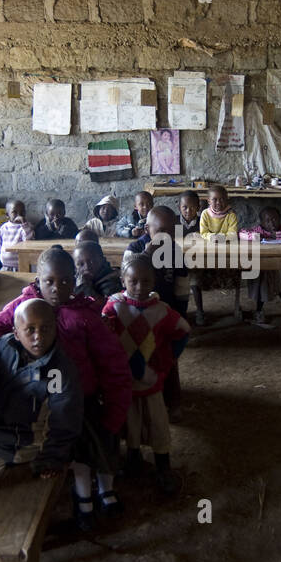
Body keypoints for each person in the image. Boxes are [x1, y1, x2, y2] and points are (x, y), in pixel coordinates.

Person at [0, 249, 132, 526]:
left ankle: (95, 493)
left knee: (90, 441)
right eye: (49, 281)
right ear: (38, 279)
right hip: (33, 399)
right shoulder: (25, 307)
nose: (57, 288)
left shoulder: (85, 318)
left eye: (65, 281)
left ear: (76, 279)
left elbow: (113, 365)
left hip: (79, 399)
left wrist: (115, 412)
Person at [0, 300, 84, 506]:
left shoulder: (58, 371)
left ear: (55, 329)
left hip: (32, 437)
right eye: (30, 330)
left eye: (46, 329)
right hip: (8, 427)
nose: (38, 337)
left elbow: (65, 419)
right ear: (16, 333)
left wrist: (52, 458)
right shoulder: (7, 344)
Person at [102, 253, 191, 496]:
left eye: (146, 282)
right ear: (123, 280)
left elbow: (183, 331)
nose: (140, 287)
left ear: (155, 283)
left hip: (152, 381)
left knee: (157, 423)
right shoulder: (114, 307)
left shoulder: (162, 311)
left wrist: (168, 359)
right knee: (130, 423)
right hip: (125, 382)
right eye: (133, 282)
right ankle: (133, 460)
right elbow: (104, 333)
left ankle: (163, 467)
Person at [127, 206, 191, 419]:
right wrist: (147, 254)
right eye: (161, 231)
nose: (167, 237)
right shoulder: (134, 249)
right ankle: (139, 400)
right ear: (147, 229)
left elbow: (182, 289)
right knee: (138, 357)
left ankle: (173, 402)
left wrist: (179, 315)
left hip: (164, 315)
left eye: (171, 232)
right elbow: (126, 278)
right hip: (136, 314)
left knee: (168, 358)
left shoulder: (175, 252)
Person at [238, 206, 281, 324]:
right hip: (259, 266)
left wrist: (275, 235)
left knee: (275, 286)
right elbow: (241, 233)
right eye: (267, 220)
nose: (271, 223)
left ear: (280, 219)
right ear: (261, 222)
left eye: (274, 219)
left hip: (276, 264)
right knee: (265, 285)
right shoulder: (259, 230)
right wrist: (258, 236)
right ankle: (259, 311)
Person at [179, 191, 206, 324]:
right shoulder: (173, 221)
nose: (188, 211)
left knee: (195, 283)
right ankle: (181, 312)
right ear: (179, 207)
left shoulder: (203, 222)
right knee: (179, 284)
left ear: (198, 208)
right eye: (185, 207)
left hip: (196, 261)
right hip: (178, 261)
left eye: (192, 207)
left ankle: (200, 311)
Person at [0, 200, 35, 273]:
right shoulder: (4, 227)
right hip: (4, 265)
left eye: (22, 212)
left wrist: (24, 224)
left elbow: (29, 241)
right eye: (14, 212)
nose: (19, 215)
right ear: (7, 215)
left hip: (21, 265)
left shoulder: (26, 227)